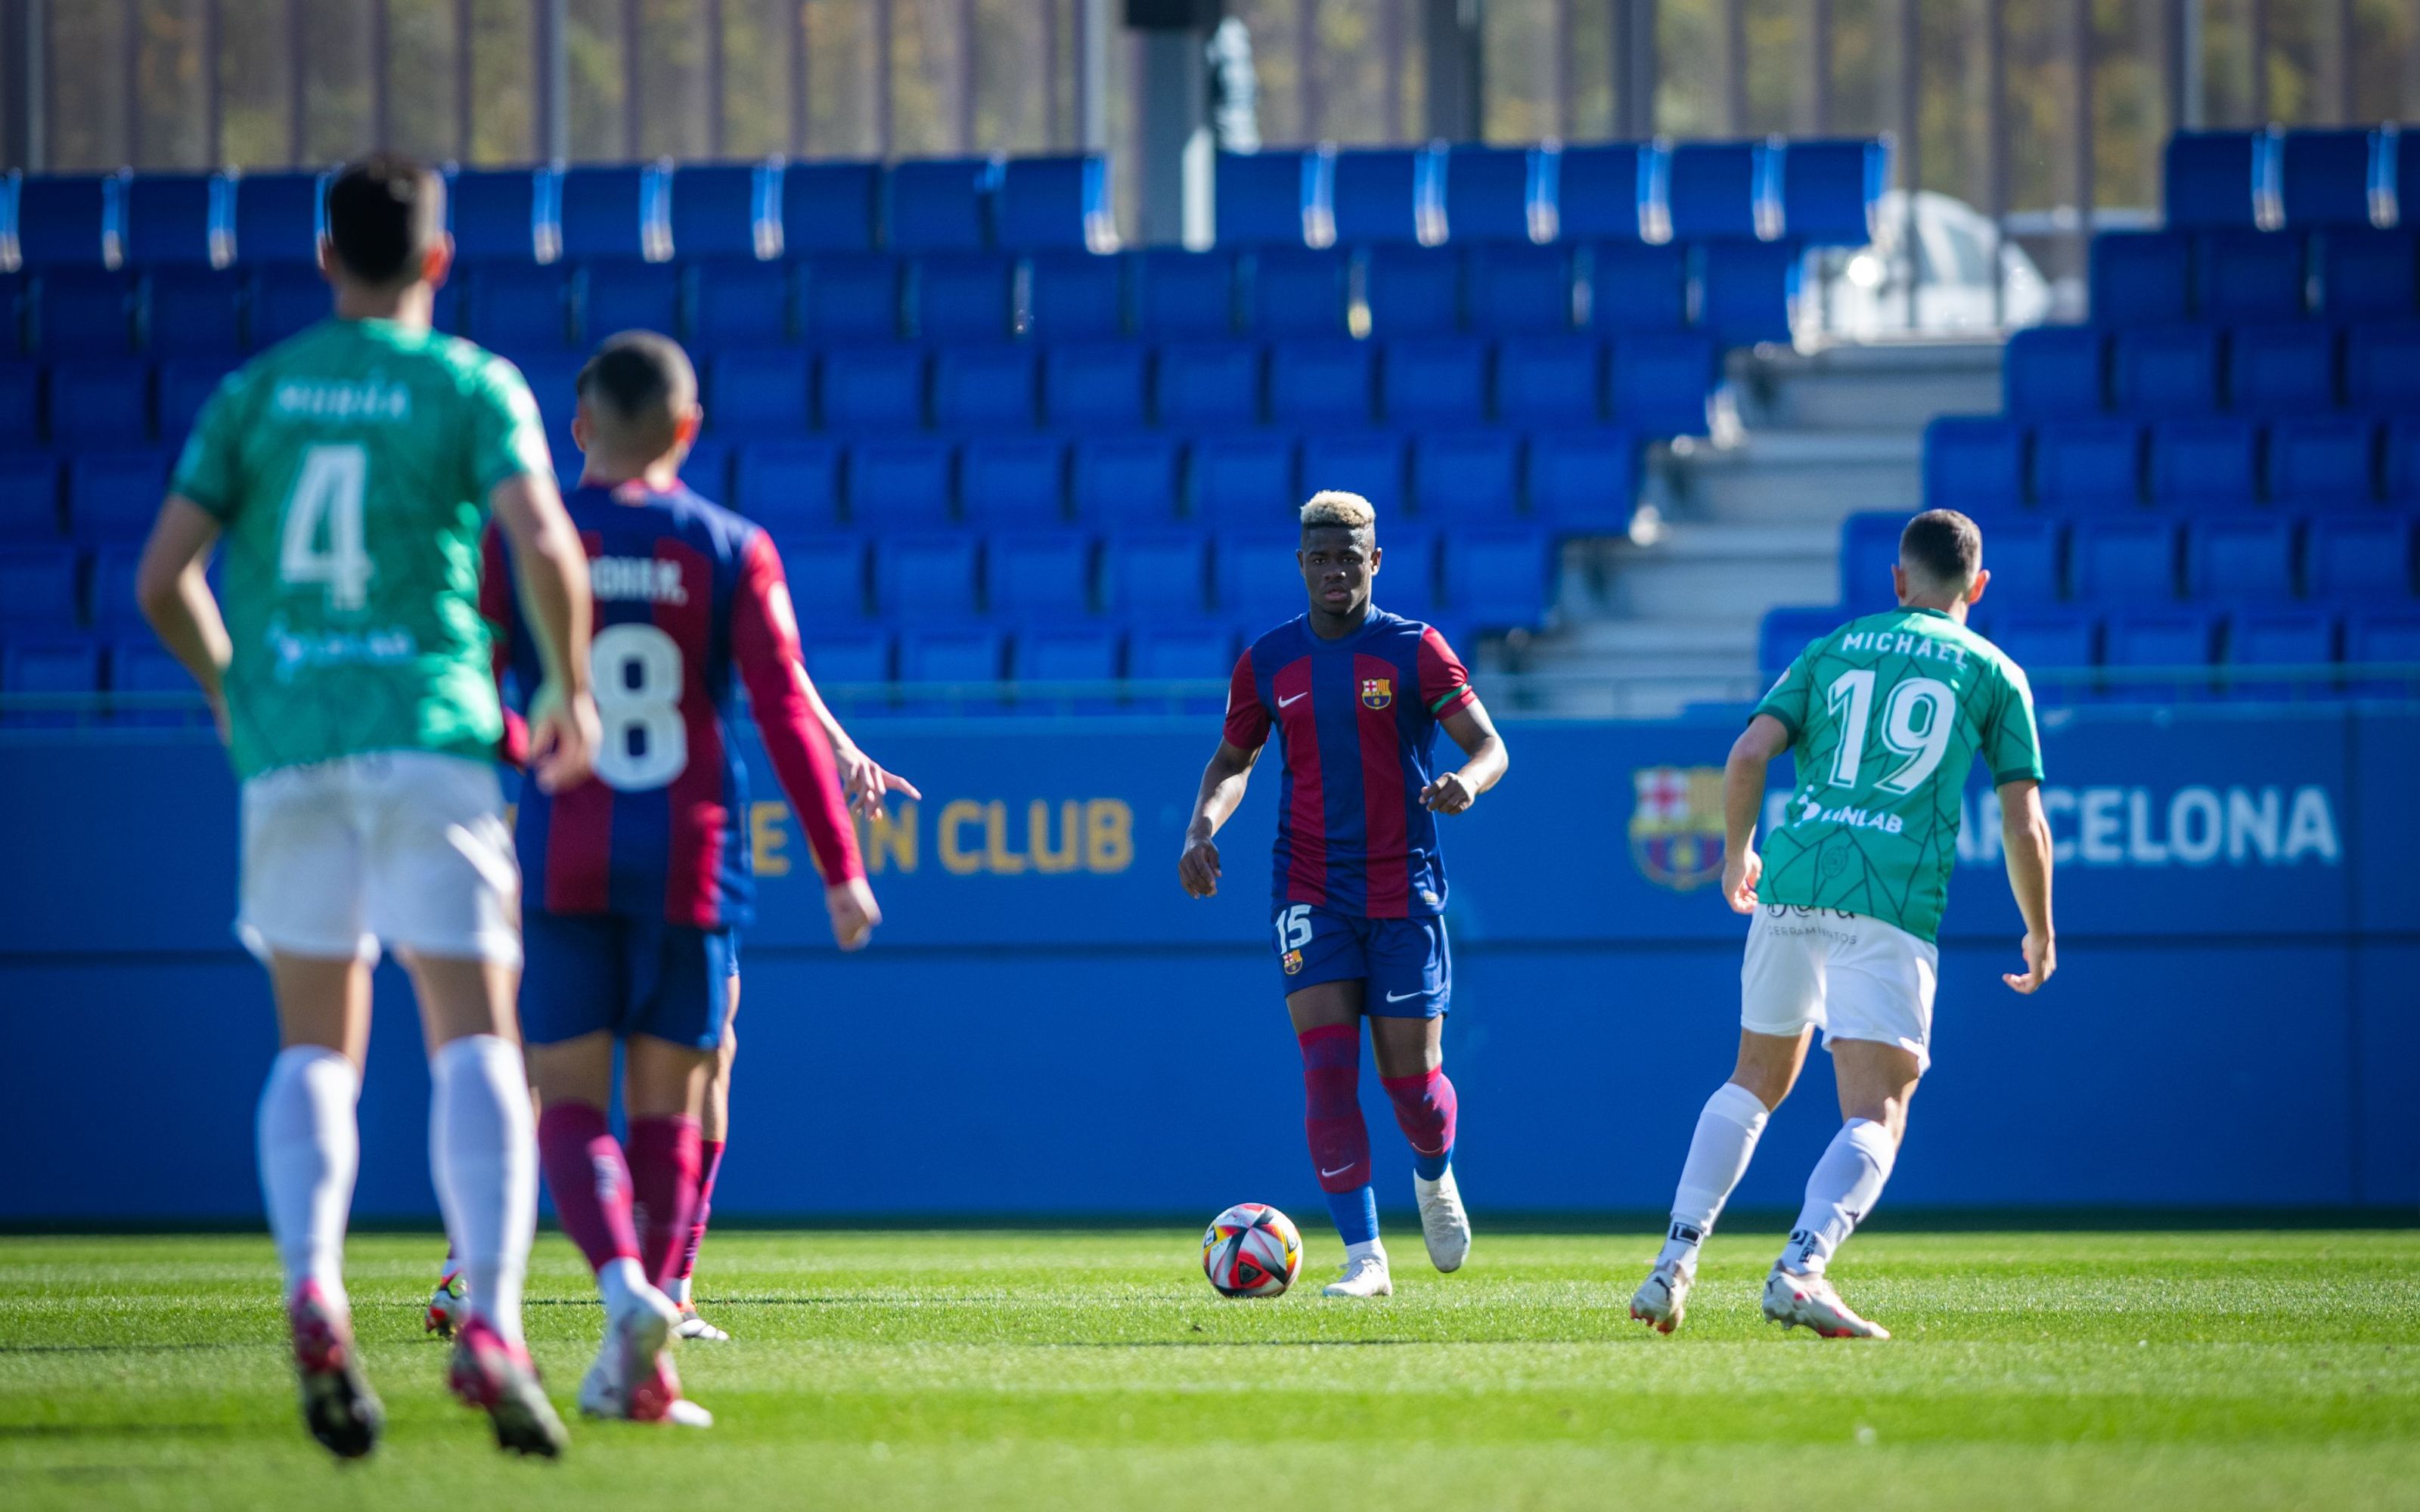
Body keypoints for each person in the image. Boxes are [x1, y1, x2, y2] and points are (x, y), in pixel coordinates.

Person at [135, 153, 600, 1459]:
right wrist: (566, 686)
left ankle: (314, 1285)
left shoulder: (257, 394)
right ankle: (495, 1324)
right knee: (474, 1038)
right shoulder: (468, 385)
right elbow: (544, 542)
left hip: (293, 745)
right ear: (438, 263)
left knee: (315, 1047)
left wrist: (238, 692)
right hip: (433, 732)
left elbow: (164, 579)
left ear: (326, 254)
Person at [479, 331, 884, 1425]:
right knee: (671, 1111)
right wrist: (840, 867)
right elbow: (786, 707)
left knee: (565, 1101)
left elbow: (471, 684)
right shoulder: (728, 545)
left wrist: (525, 749)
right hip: (692, 864)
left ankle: (622, 1299)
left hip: (565, 855)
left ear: (580, 429)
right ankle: (644, 1353)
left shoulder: (526, 538)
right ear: (687, 429)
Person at [1628, 508, 2055, 1340]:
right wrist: (2038, 928)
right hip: (1889, 900)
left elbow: (1749, 752)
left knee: (1751, 1078)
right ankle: (1800, 1268)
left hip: (1791, 878)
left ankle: (1670, 1262)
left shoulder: (1835, 646)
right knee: (1876, 1109)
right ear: (1977, 584)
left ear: (1896, 580)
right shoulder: (1995, 671)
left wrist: (1734, 855)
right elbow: (2023, 823)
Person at [1178, 491, 1509, 1299]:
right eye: (1319, 556)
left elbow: (1490, 745)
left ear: (1375, 560)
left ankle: (1433, 1175)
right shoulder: (1267, 661)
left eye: (1348, 555)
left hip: (1403, 887)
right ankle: (1365, 1256)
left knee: (1411, 1086)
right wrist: (1199, 829)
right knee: (1326, 1070)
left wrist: (1464, 783)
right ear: (1300, 563)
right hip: (1309, 885)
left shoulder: (1414, 650)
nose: (1334, 569)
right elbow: (1232, 760)